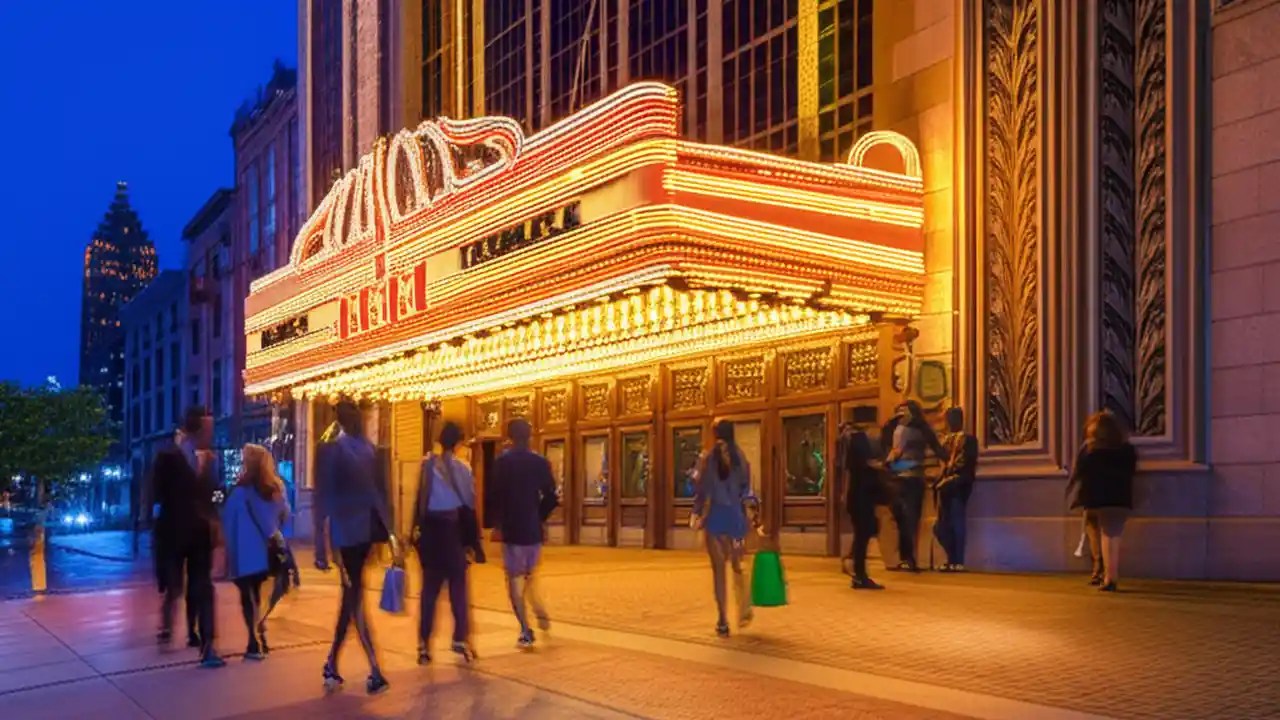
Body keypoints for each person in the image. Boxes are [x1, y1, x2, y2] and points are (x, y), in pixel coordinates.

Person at [319, 400, 394, 694]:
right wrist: (322, 547)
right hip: (346, 535)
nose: (358, 419)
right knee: (354, 600)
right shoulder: (337, 450)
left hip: (360, 535)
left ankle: (332, 663)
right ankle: (373, 668)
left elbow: (376, 493)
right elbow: (325, 497)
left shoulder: (365, 449)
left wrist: (388, 534)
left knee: (351, 601)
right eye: (353, 415)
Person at [151, 407, 224, 668]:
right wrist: (151, 525)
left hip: (200, 533)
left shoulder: (211, 460)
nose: (212, 434)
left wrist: (216, 516)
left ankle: (208, 644)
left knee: (203, 587)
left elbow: (217, 492)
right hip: (173, 532)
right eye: (208, 429)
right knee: (174, 587)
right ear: (197, 430)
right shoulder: (168, 457)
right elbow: (156, 493)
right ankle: (168, 628)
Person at [411, 421, 480, 665]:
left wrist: (414, 533)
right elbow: (469, 506)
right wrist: (473, 542)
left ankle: (423, 644)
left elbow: (419, 500)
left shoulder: (427, 465)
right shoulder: (463, 469)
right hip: (452, 532)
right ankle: (460, 637)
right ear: (459, 442)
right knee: (458, 587)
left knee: (429, 591)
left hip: (431, 532)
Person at [489, 418, 559, 648]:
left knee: (514, 581)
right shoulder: (539, 462)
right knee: (530, 575)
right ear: (529, 436)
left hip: (512, 530)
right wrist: (539, 516)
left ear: (509, 436)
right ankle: (538, 608)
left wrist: (498, 522)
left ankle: (525, 628)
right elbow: (551, 496)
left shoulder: (502, 463)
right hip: (532, 529)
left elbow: (494, 497)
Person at [221, 444, 289, 660]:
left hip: (243, 553)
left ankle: (253, 639)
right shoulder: (274, 489)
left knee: (246, 596)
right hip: (264, 550)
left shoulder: (238, 491)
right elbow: (285, 515)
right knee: (258, 594)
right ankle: (259, 630)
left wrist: (228, 553)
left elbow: (228, 522)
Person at [692, 420, 754, 637]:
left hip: (716, 519)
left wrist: (697, 512)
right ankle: (744, 609)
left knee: (719, 571)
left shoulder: (707, 458)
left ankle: (722, 619)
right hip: (736, 520)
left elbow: (700, 489)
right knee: (738, 566)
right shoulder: (741, 458)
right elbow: (747, 488)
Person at [1068, 411, 1137, 592]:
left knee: (1106, 537)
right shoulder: (1128, 450)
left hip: (1101, 500)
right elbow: (1131, 470)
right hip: (1122, 500)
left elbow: (1081, 472)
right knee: (1115, 537)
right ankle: (1111, 574)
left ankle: (1108, 577)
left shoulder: (1092, 451)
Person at [883, 401, 946, 572]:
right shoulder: (924, 430)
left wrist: (886, 464)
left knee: (900, 521)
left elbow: (895, 453)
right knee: (912, 520)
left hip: (900, 478)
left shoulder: (902, 430)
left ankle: (903, 558)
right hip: (916, 478)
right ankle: (910, 558)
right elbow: (939, 451)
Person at [839, 424, 885, 590]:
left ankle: (857, 571)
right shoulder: (860, 453)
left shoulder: (852, 458)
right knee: (862, 536)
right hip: (862, 500)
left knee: (861, 536)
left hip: (856, 499)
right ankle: (859, 574)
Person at [934, 407, 978, 572]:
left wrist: (951, 473)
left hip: (959, 484)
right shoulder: (945, 440)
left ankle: (958, 560)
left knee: (957, 521)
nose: (949, 422)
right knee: (943, 524)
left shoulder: (968, 439)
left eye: (952, 419)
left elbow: (966, 462)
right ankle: (950, 558)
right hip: (945, 485)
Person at [312, 420, 340, 572]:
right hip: (334, 493)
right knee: (336, 527)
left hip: (320, 492)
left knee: (319, 528)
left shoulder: (320, 447)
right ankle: (336, 557)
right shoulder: (338, 449)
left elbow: (316, 471)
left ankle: (320, 558)